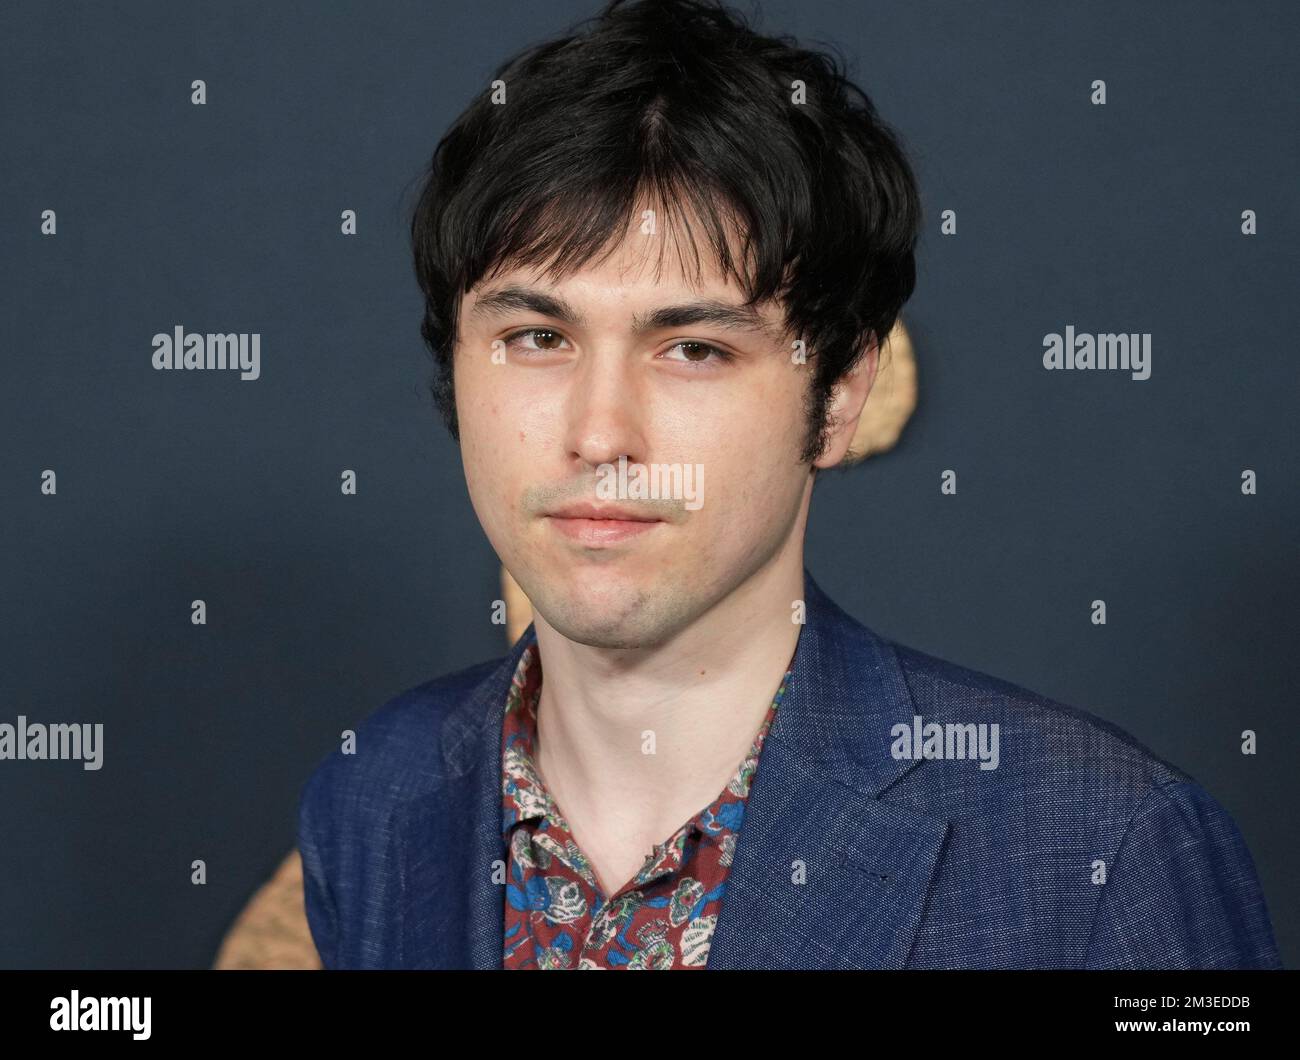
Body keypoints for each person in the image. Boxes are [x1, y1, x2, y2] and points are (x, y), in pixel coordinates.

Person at [298, 0, 1281, 969]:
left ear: (841, 392)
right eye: (538, 339)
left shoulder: (1103, 850)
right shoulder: (376, 792)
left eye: (691, 348)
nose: (599, 431)